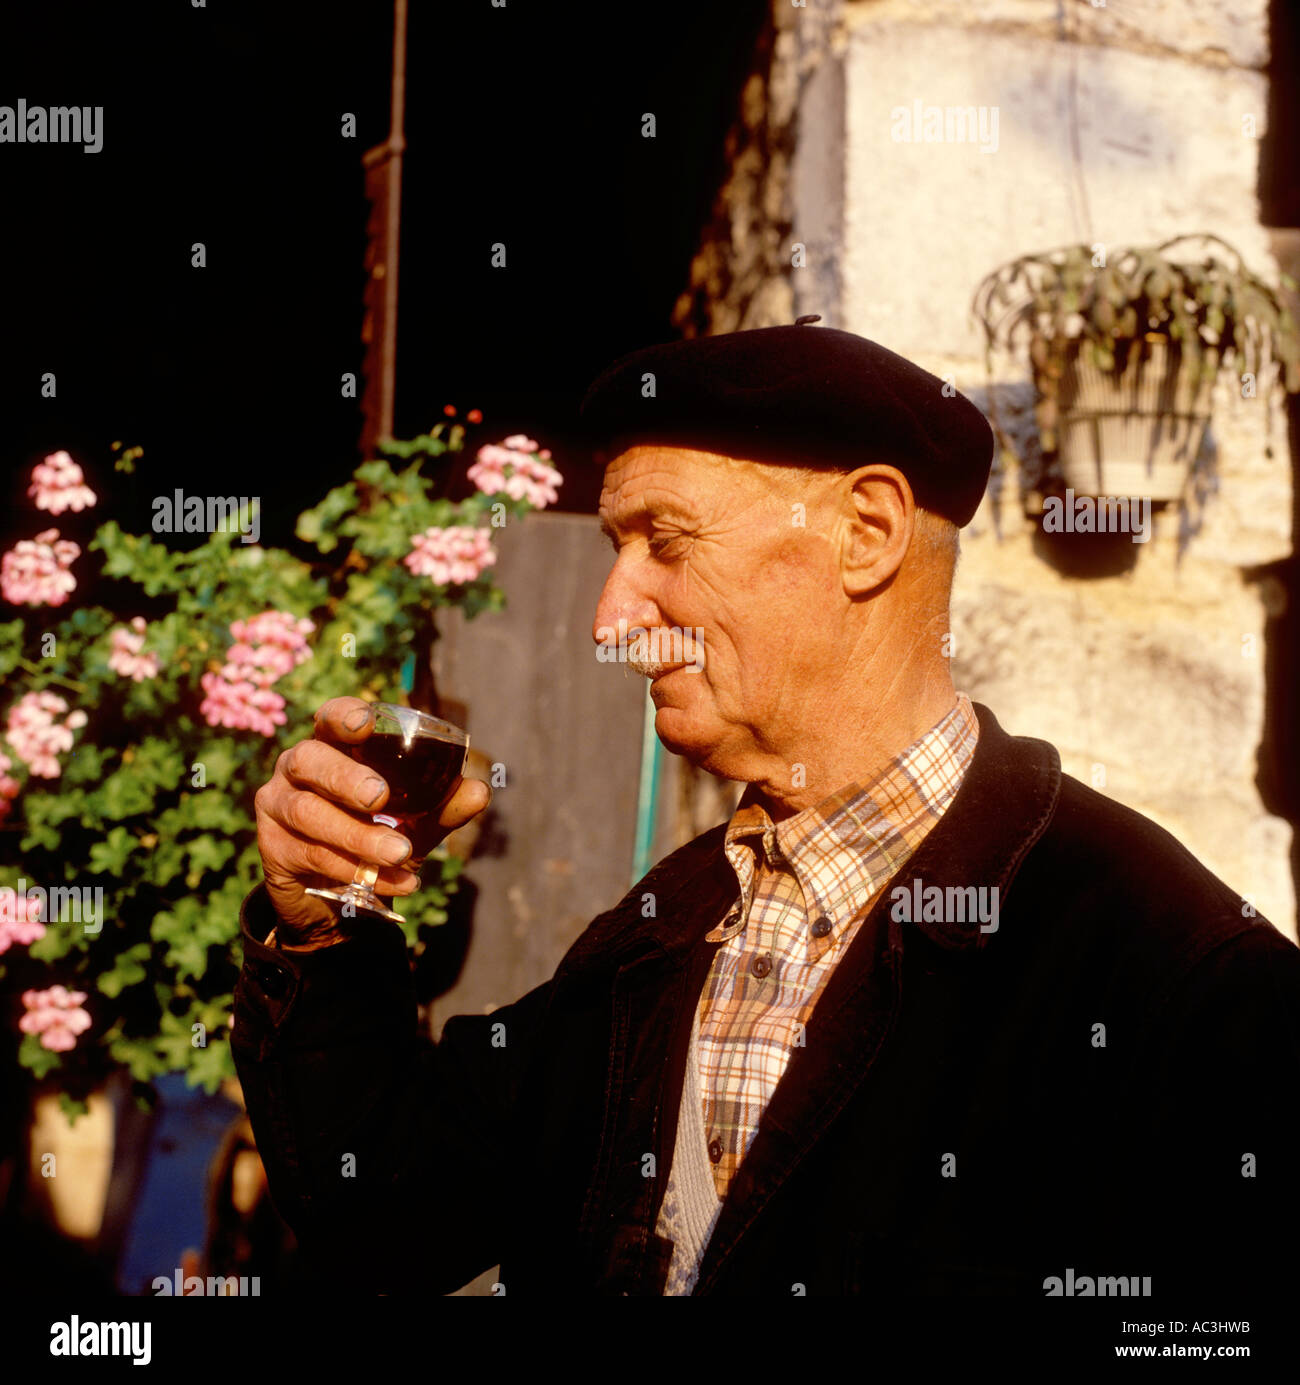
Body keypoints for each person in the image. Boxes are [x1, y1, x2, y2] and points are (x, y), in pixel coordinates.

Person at [232, 322, 1300, 1297]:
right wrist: (323, 919)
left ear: (865, 531)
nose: (611, 617)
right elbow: (383, 1212)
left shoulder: (1181, 978)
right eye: (614, 549)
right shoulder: (662, 924)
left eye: (666, 539)